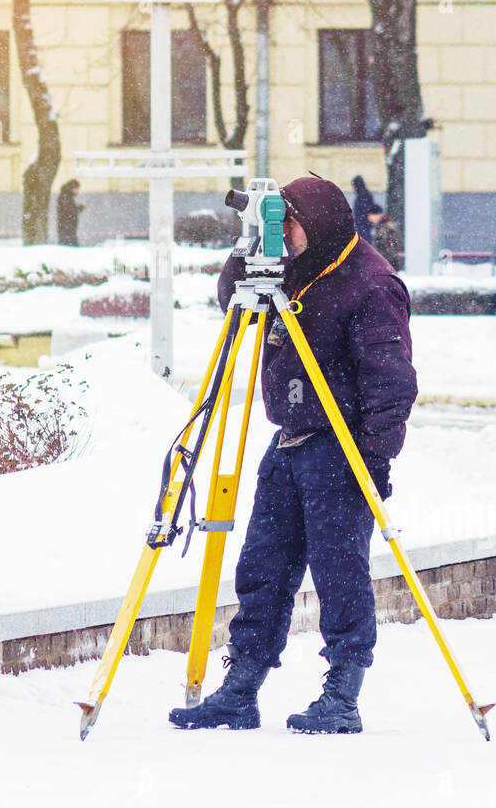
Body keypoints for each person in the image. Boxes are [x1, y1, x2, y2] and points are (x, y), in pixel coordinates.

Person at [169, 175, 417, 736]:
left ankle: (343, 694)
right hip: (289, 440)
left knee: (339, 574)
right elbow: (232, 298)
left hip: (342, 445)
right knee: (263, 567)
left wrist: (374, 462)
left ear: (320, 221)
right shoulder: (293, 264)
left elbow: (392, 384)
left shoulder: (371, 284)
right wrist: (250, 244)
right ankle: (240, 691)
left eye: (290, 224)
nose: (285, 236)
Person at [351, 174, 384, 243]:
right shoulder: (366, 194)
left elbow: (362, 213)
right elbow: (372, 207)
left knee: (363, 244)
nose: (352, 188)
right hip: (365, 226)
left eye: (353, 186)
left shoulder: (361, 196)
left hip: (362, 226)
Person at [56, 179, 85, 246]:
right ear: (72, 188)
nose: (77, 191)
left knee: (68, 245)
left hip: (67, 226)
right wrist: (81, 207)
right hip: (67, 227)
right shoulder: (66, 197)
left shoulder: (66, 196)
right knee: (70, 246)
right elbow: (70, 211)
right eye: (76, 189)